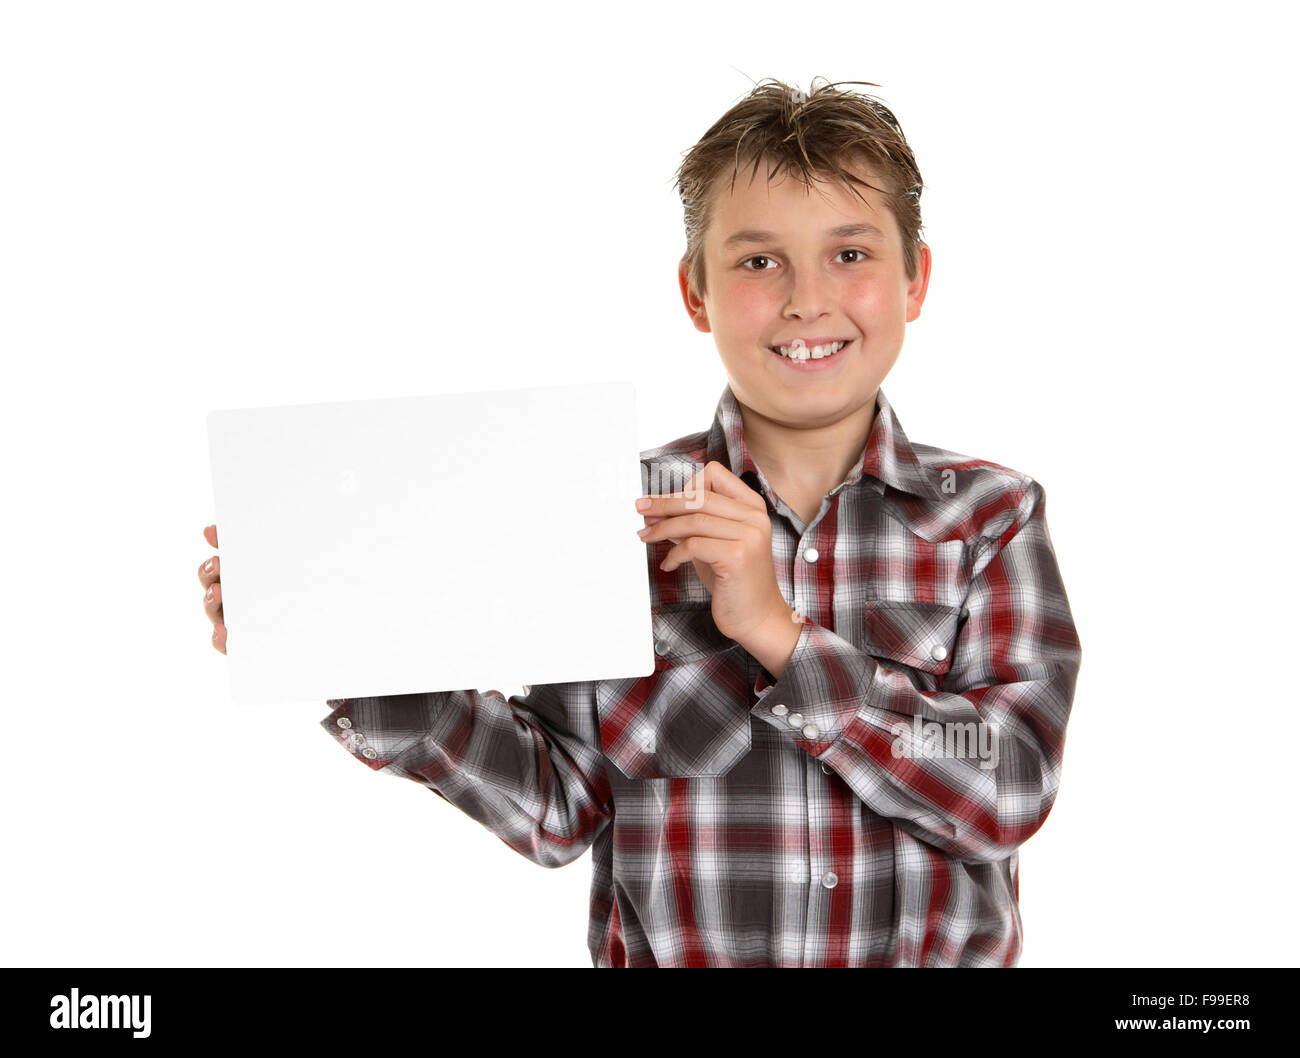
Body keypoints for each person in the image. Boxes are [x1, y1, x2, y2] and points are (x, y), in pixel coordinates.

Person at [198, 76, 1082, 967]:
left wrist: (780, 637)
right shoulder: (615, 512)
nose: (807, 299)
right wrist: (334, 642)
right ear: (695, 293)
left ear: (914, 281)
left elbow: (1008, 786)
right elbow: (554, 804)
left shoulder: (990, 518)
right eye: (758, 260)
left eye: (850, 254)